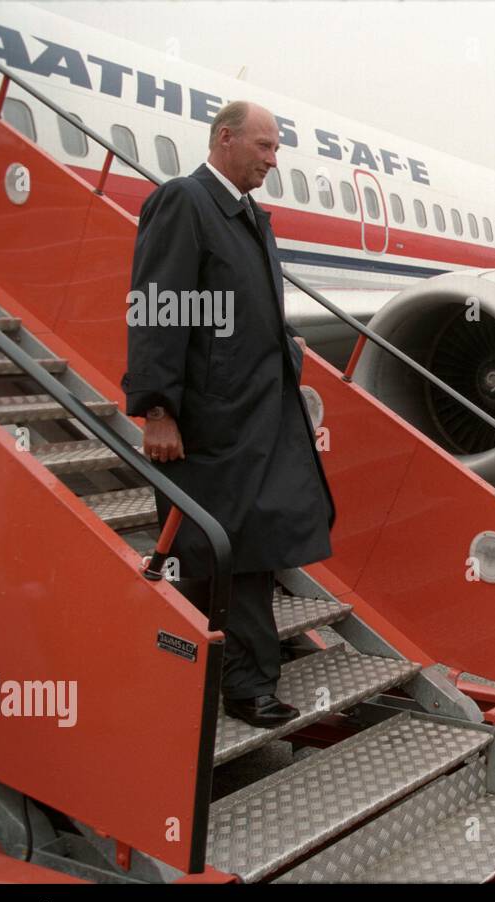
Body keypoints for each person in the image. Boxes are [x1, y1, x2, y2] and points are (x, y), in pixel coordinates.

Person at [123, 101, 336, 729]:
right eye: (265, 147)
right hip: (207, 425)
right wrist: (158, 409)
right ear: (225, 139)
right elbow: (158, 307)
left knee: (254, 545)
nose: (273, 160)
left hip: (256, 415)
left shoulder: (248, 217)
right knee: (215, 553)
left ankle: (229, 675)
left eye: (276, 150)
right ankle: (235, 685)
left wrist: (285, 350)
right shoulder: (185, 203)